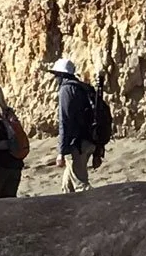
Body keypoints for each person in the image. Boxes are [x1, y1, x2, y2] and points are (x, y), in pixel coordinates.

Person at [44, 56, 108, 193]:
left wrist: (61, 152)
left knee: (81, 186)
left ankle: (100, 204)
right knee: (68, 187)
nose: (55, 79)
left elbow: (65, 122)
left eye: (56, 75)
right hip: (90, 141)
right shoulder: (83, 88)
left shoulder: (66, 89)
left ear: (62, 75)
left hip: (78, 146)